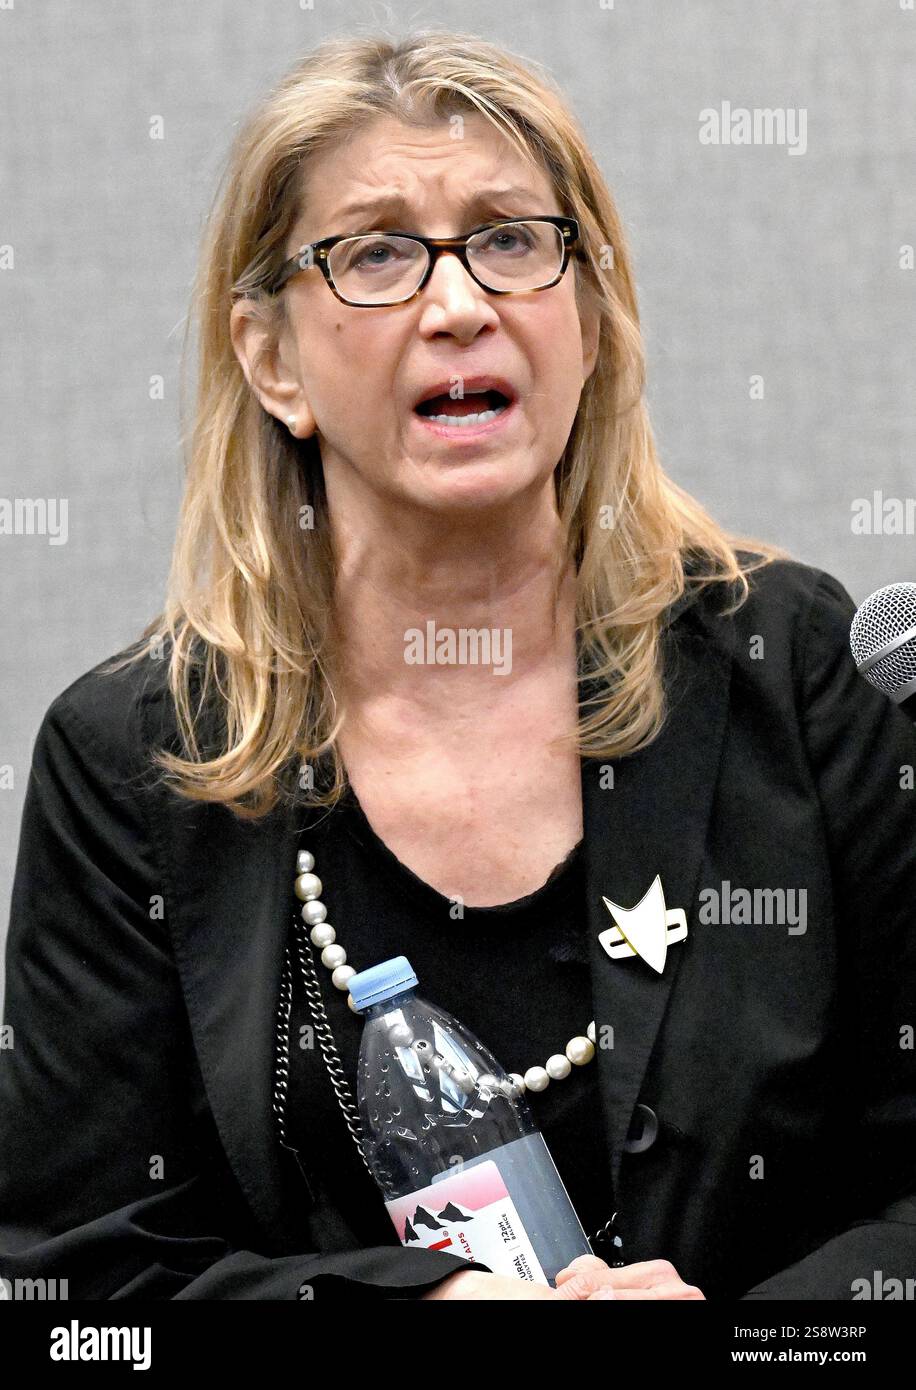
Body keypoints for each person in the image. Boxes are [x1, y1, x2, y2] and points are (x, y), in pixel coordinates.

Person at [1, 30, 914, 1303]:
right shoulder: (140, 759)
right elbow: (74, 1294)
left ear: (589, 315)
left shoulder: (803, 669)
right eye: (375, 252)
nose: (458, 303)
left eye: (510, 239)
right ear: (272, 358)